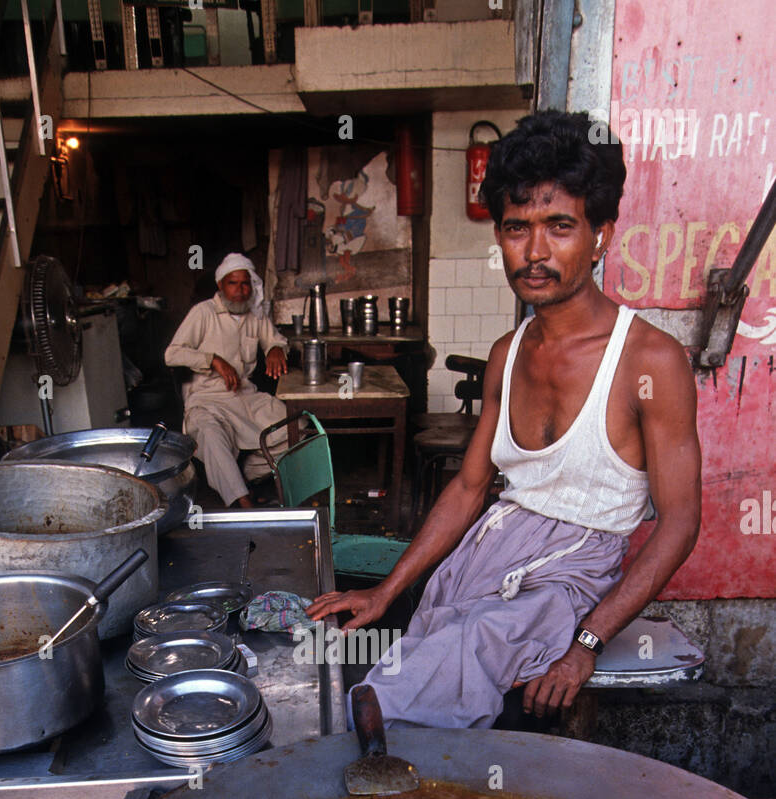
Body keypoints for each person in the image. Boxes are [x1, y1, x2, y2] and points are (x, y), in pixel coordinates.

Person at [307, 109, 702, 727]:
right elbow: (468, 489)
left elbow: (679, 524)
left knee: (423, 684)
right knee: (422, 651)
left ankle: (351, 754)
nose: (535, 252)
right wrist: (388, 590)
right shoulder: (507, 354)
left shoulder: (650, 361)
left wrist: (585, 646)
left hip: (569, 576)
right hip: (488, 552)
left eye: (560, 226)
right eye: (518, 228)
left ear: (602, 234)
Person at [165, 253, 289, 508]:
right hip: (206, 398)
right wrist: (213, 360)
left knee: (294, 427)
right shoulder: (203, 313)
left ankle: (244, 478)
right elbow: (172, 354)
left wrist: (276, 348)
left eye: (245, 284)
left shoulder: (256, 314)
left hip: (245, 396)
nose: (240, 291)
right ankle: (243, 504)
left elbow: (275, 340)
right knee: (211, 435)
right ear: (221, 286)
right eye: (233, 284)